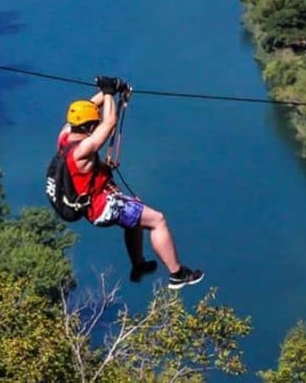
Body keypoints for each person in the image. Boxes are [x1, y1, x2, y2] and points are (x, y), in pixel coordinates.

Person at [58, 76, 204, 290]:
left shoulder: (64, 137)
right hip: (102, 207)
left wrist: (110, 91)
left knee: (136, 215)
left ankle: (138, 265)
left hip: (95, 204)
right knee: (158, 220)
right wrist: (108, 92)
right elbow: (109, 123)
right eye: (93, 124)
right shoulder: (84, 149)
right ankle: (178, 274)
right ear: (89, 126)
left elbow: (88, 109)